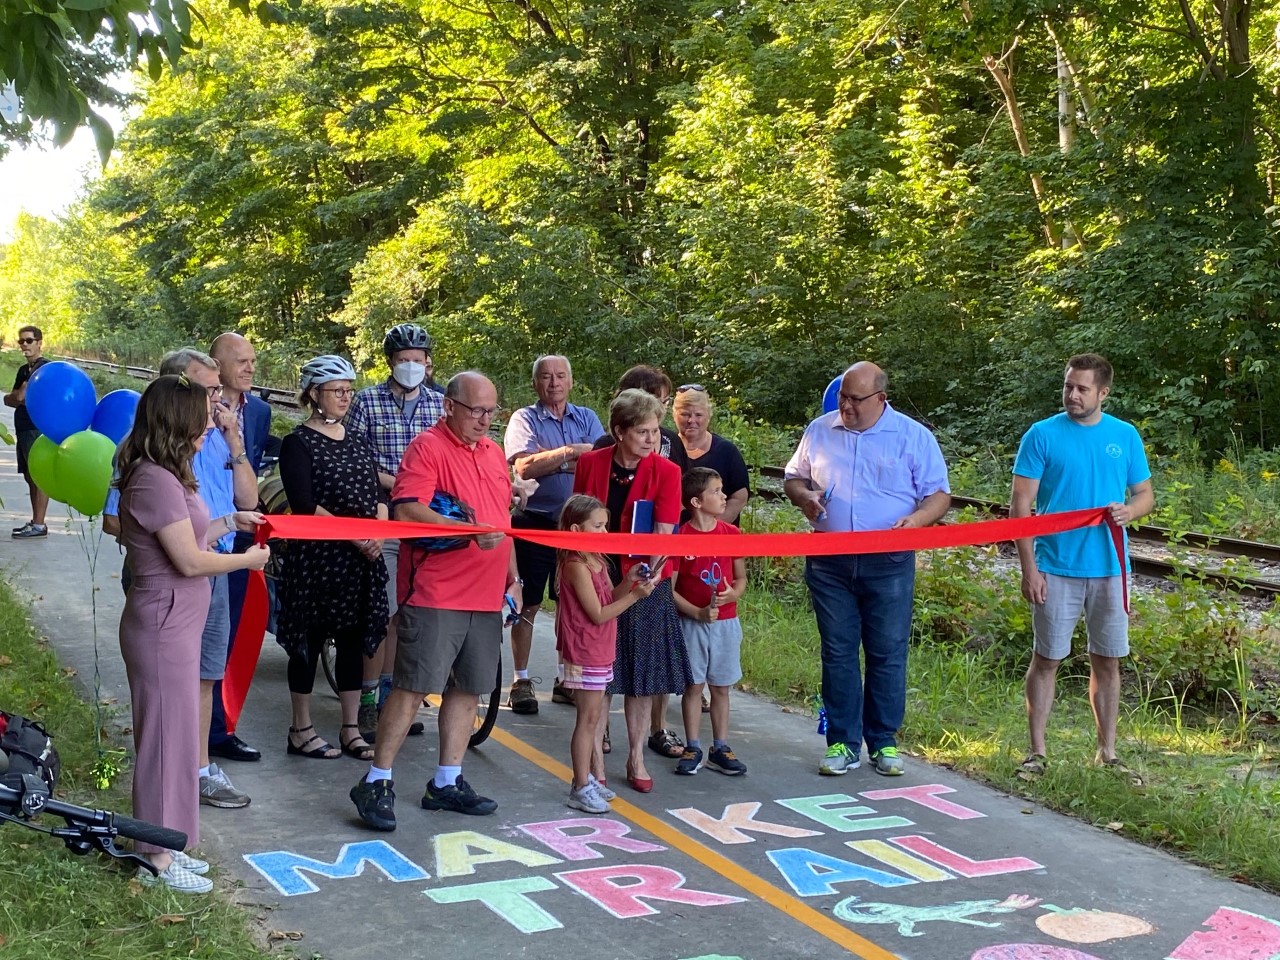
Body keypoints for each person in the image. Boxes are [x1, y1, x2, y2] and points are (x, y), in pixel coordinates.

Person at [115, 375, 269, 892]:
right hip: (162, 623)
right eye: (202, 419)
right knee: (163, 740)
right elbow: (187, 560)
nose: (210, 426)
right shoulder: (154, 480)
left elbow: (191, 534)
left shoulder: (169, 474)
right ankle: (154, 856)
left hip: (178, 622)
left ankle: (169, 840)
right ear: (176, 421)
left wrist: (231, 521)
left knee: (180, 739)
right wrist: (246, 560)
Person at [350, 372, 517, 829]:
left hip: (486, 593)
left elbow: (502, 522)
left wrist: (514, 578)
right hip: (437, 591)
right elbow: (407, 510)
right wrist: (467, 531)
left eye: (491, 411)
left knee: (468, 688)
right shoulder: (428, 447)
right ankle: (376, 779)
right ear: (449, 406)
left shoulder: (493, 452)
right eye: (476, 410)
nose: (485, 419)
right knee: (412, 686)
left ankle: (446, 781)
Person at [784, 361, 950, 777]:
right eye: (843, 397)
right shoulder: (820, 430)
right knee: (838, 651)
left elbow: (939, 495)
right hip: (829, 561)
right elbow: (793, 478)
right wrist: (804, 497)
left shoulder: (913, 436)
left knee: (887, 651)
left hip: (888, 561)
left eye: (855, 399)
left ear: (880, 399)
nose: (846, 406)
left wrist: (917, 520)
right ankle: (842, 741)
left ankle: (883, 741)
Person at [1011, 353, 1153, 780]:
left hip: (1110, 568)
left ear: (1103, 393)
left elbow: (1145, 495)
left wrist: (1130, 511)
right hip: (1056, 567)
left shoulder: (1124, 435)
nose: (1072, 395)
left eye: (1082, 388)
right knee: (1047, 658)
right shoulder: (1041, 435)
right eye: (1068, 386)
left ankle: (1108, 753)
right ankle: (1037, 753)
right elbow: (1020, 507)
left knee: (1107, 660)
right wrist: (1029, 569)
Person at [574, 389, 689, 794]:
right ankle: (594, 761)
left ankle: (636, 755)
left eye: (655, 431)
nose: (651, 439)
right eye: (642, 431)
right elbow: (576, 522)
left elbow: (664, 533)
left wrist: (647, 578)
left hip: (647, 578)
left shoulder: (667, 471)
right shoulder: (590, 463)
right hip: (596, 574)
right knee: (600, 672)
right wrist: (582, 572)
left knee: (642, 674)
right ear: (619, 431)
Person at [276, 356, 389, 762]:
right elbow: (304, 504)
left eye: (348, 390)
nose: (345, 397)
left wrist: (378, 532)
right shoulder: (298, 443)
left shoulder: (356, 439)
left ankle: (350, 728)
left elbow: (378, 493)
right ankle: (301, 728)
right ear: (314, 393)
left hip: (360, 561)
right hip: (318, 559)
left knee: (353, 642)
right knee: (307, 641)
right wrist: (354, 536)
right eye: (337, 390)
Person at [345, 322, 444, 742]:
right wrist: (398, 484)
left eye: (417, 360)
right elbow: (351, 456)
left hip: (426, 519)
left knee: (409, 613)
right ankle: (368, 700)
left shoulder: (440, 404)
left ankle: (391, 695)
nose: (410, 366)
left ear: (428, 362)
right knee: (381, 612)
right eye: (403, 360)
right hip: (383, 514)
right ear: (390, 362)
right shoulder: (367, 402)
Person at [503, 355, 605, 714]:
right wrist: (570, 453)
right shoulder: (524, 418)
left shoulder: (587, 417)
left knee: (572, 604)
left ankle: (568, 680)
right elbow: (524, 466)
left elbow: (599, 459)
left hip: (577, 530)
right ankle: (521, 680)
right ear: (535, 383)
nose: (554, 383)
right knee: (528, 603)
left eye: (561, 376)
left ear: (571, 381)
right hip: (534, 522)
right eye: (546, 377)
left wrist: (551, 460)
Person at [555, 494, 655, 813]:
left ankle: (585, 777)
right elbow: (598, 614)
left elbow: (608, 598)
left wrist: (629, 581)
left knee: (593, 717)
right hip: (584, 648)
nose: (604, 532)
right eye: (597, 526)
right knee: (587, 719)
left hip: (599, 647)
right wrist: (636, 597)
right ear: (575, 529)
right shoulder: (575, 564)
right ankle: (580, 786)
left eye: (605, 525)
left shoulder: (596, 559)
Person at [208, 332, 275, 765]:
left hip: (240, 530)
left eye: (253, 360)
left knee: (226, 633)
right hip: (198, 530)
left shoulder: (260, 411)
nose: (251, 368)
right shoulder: (197, 404)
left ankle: (217, 729)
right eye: (241, 361)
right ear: (217, 366)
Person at [671, 468, 749, 776]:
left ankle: (721, 746)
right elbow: (669, 590)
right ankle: (693, 746)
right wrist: (697, 612)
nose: (724, 496)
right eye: (716, 491)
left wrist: (732, 594)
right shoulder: (680, 538)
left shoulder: (731, 535)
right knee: (693, 686)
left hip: (726, 623)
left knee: (721, 687)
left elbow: (741, 579)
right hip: (692, 624)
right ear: (696, 501)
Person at [672, 385, 750, 525]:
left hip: (717, 534)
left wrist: (710, 528)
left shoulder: (727, 451)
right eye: (685, 414)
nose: (691, 420)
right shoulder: (667, 448)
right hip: (674, 533)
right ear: (674, 415)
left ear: (708, 416)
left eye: (698, 415)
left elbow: (740, 497)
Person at [5, 325, 49, 539]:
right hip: (23, 429)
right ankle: (35, 521)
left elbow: (20, 397)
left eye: (29, 340)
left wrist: (18, 397)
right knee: (30, 477)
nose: (24, 345)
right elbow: (10, 399)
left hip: (36, 429)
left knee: (39, 476)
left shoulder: (44, 368)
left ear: (39, 342)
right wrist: (17, 396)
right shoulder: (24, 370)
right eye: (21, 341)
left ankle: (39, 524)